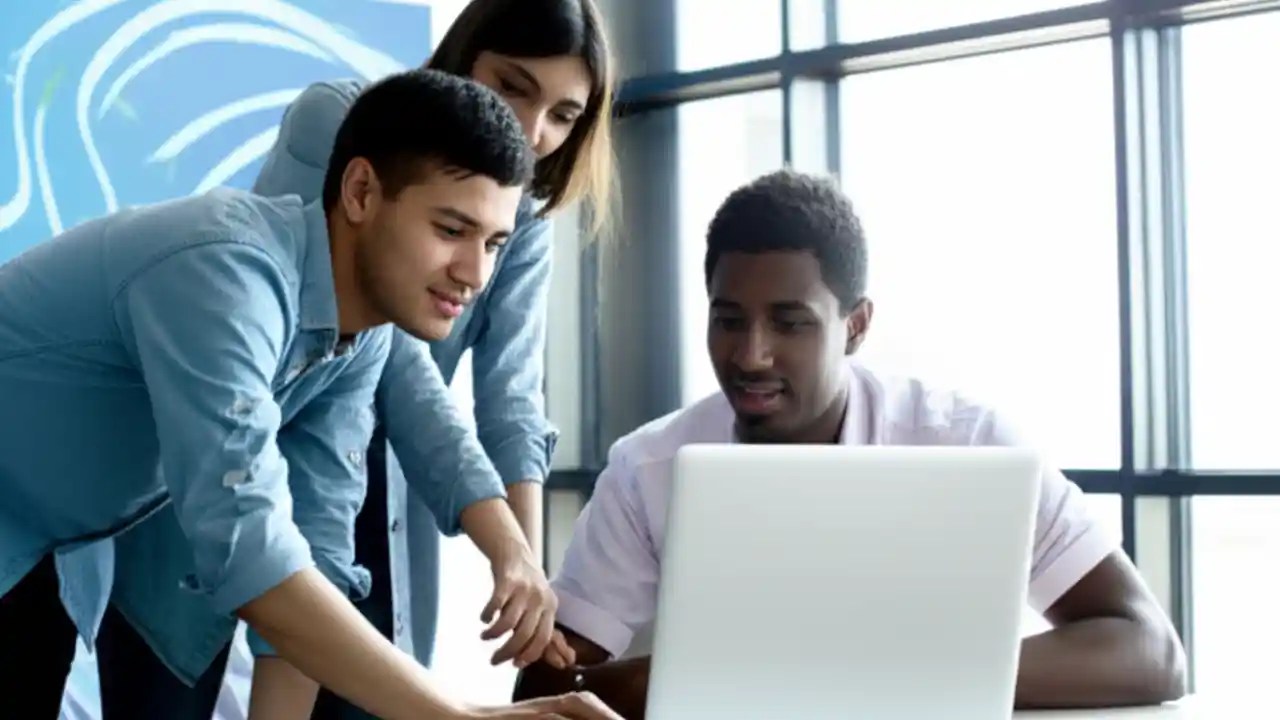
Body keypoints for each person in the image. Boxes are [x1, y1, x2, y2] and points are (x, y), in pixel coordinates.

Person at [0, 67, 618, 720]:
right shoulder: (224, 270)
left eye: (494, 243)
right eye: (450, 230)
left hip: (41, 559)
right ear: (359, 191)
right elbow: (253, 555)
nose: (475, 274)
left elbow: (313, 560)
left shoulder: (361, 338)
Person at [512, 169, 1190, 716]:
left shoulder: (967, 444)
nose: (751, 355)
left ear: (856, 325)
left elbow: (1149, 650)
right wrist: (730, 677)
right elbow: (543, 692)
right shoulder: (648, 469)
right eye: (729, 319)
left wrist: (887, 677)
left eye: (790, 323)